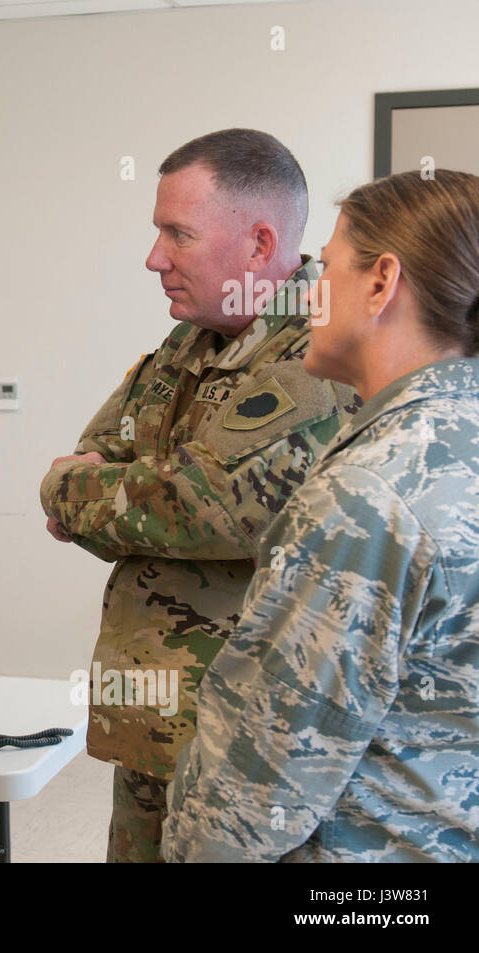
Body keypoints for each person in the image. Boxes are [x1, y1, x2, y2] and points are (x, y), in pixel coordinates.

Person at [39, 129, 360, 862]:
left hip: (249, 742)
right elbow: (95, 473)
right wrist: (98, 493)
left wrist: (88, 490)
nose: (155, 257)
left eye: (176, 233)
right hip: (150, 722)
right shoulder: (189, 343)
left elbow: (214, 508)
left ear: (258, 244)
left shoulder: (317, 349)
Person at [163, 169, 479, 862]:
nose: (308, 292)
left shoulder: (370, 495)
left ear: (380, 281)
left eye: (328, 267)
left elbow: (257, 783)